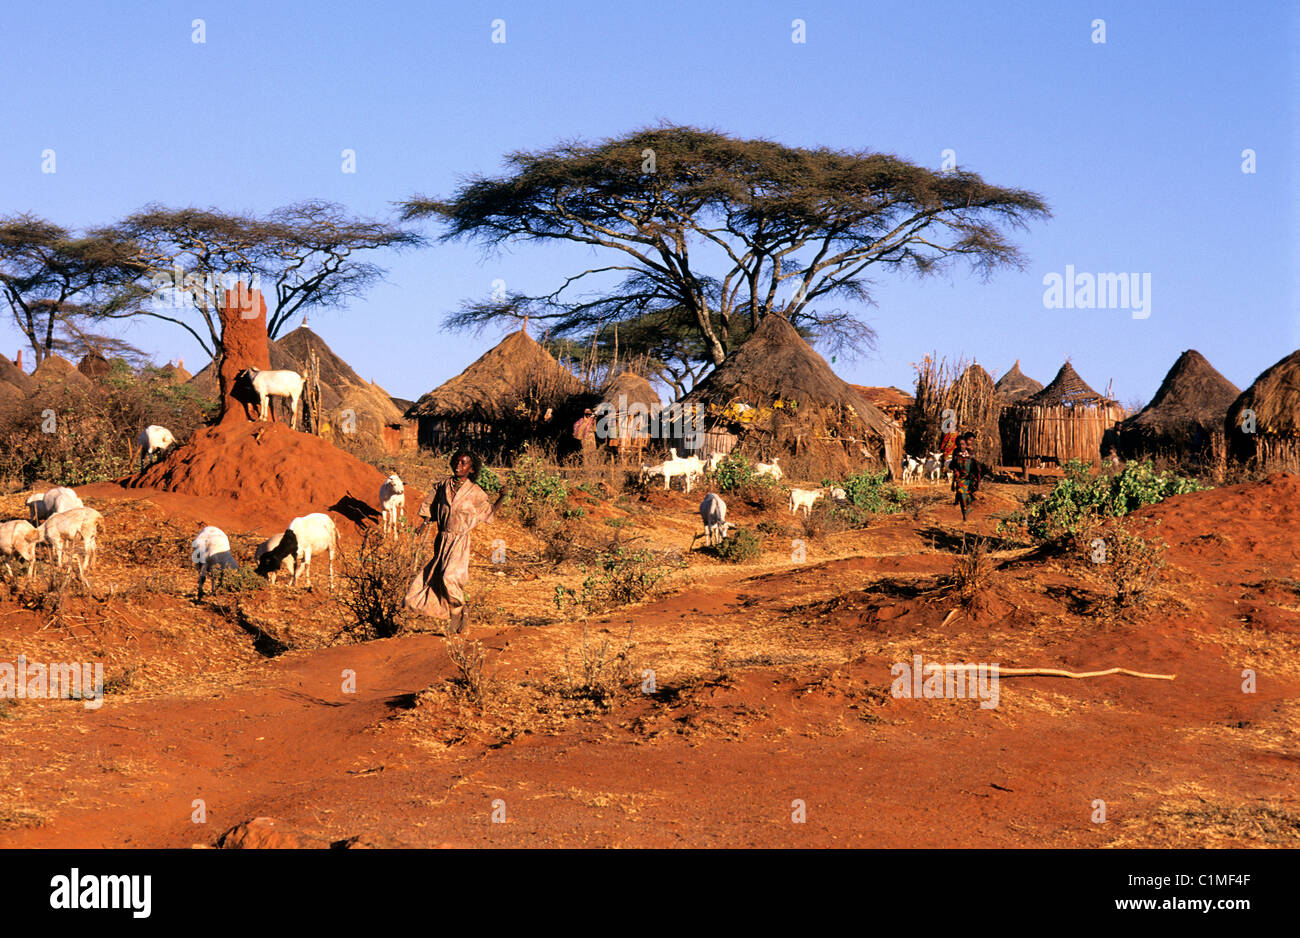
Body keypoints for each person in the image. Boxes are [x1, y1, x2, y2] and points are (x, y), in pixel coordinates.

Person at [403, 450, 508, 634]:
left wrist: (502, 497)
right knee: (435, 577)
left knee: (450, 577)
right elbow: (431, 505)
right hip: (442, 538)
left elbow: (489, 511)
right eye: (457, 462)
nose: (459, 466)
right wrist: (424, 523)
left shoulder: (475, 492)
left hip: (460, 540)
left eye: (464, 463)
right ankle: (461, 610)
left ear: (471, 468)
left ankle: (457, 614)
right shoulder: (443, 486)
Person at [949, 432, 985, 522]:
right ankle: (965, 512)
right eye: (959, 444)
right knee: (961, 493)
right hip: (961, 479)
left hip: (970, 478)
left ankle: (966, 510)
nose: (961, 446)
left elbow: (975, 465)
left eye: (963, 444)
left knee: (966, 495)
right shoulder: (956, 453)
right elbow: (952, 465)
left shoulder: (970, 452)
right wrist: (955, 473)